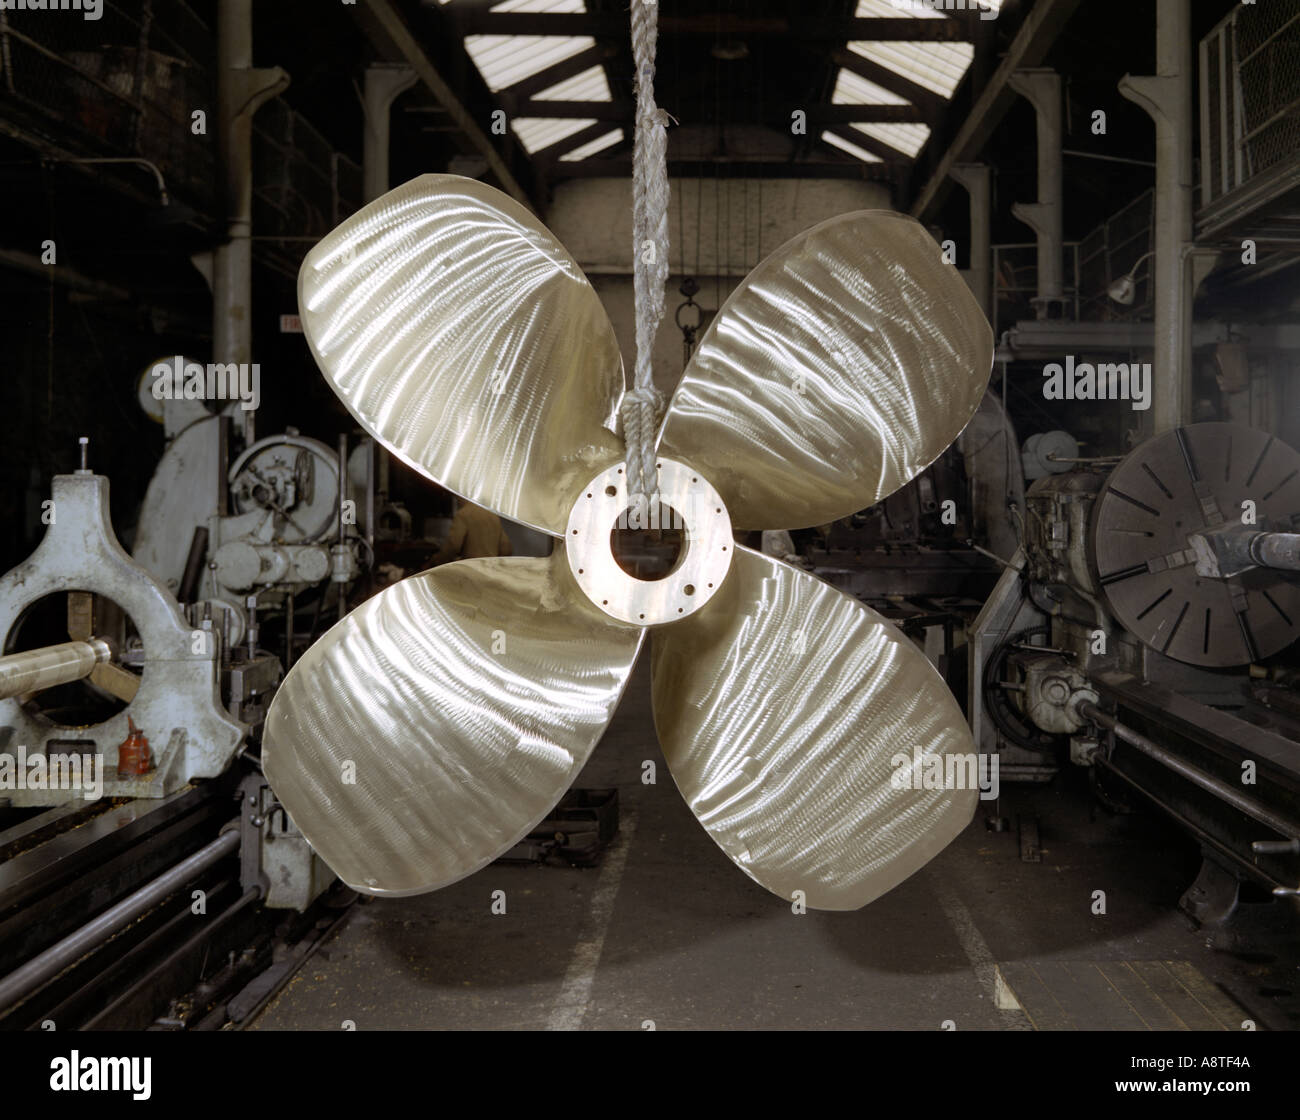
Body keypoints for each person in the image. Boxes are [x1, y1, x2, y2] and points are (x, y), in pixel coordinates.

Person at [429, 497, 513, 565]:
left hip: (471, 571)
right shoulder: (492, 515)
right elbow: (506, 549)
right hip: (491, 571)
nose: (457, 501)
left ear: (461, 496)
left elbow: (453, 545)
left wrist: (435, 562)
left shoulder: (463, 514)